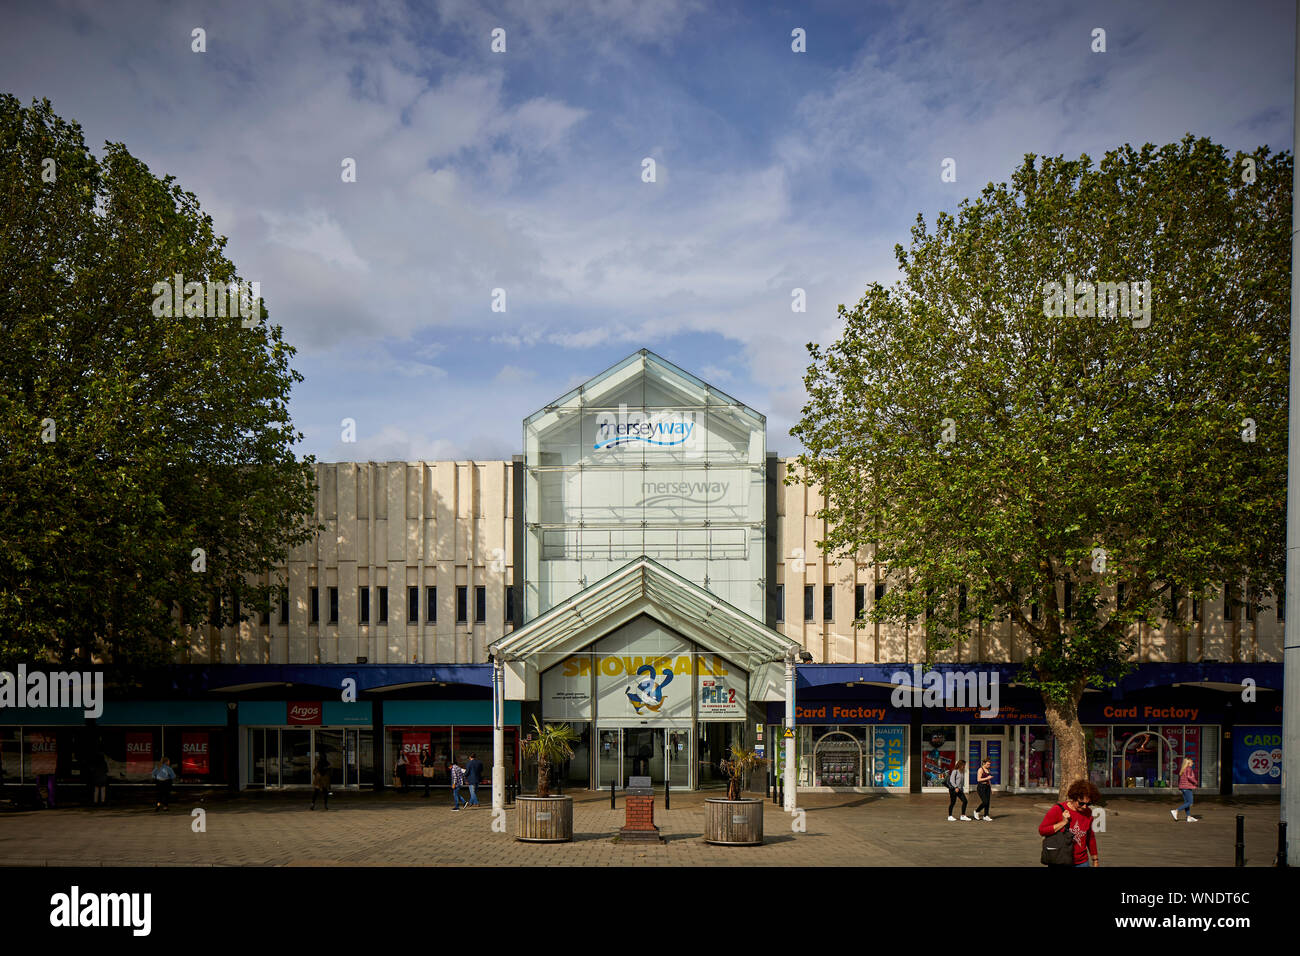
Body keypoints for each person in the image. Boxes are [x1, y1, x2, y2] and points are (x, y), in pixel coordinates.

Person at [1038, 779, 1102, 867]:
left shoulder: (1088, 812)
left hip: (1082, 862)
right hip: (1060, 860)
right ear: (1074, 798)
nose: (1084, 807)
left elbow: (1090, 837)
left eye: (1088, 804)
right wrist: (1063, 822)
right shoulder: (1057, 809)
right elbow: (1042, 830)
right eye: (1081, 803)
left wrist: (1095, 860)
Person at [1172, 757, 1198, 822]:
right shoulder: (1189, 768)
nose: (1193, 763)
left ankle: (1188, 817)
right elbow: (1189, 777)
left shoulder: (1183, 769)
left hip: (1183, 787)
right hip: (1187, 787)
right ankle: (1176, 810)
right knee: (1190, 802)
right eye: (1192, 762)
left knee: (1187, 802)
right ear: (1188, 763)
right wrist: (1195, 782)